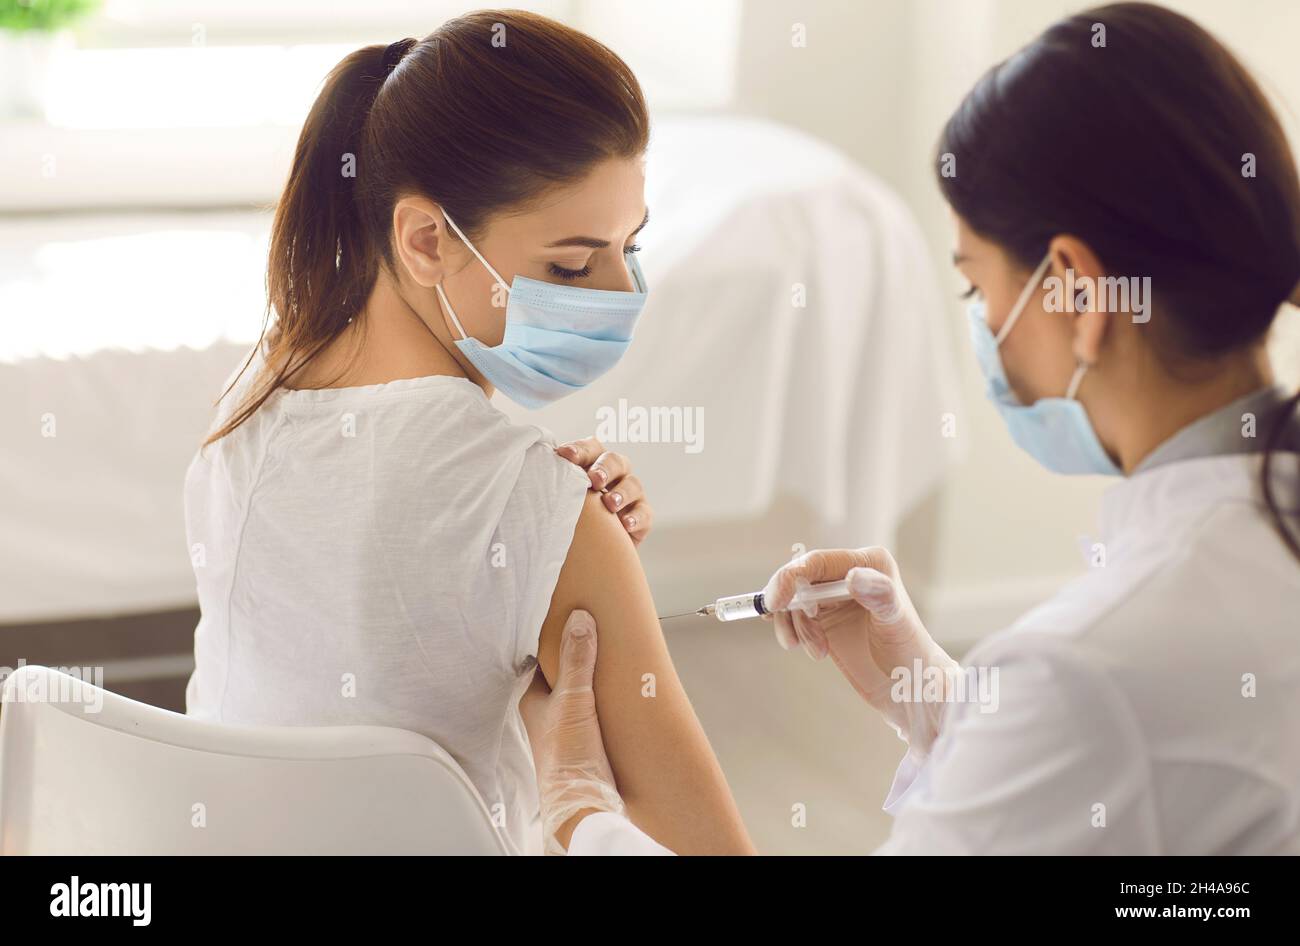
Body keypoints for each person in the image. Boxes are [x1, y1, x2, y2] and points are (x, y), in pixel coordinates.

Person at [524, 2, 1300, 855]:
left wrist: (578, 811)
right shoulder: (1199, 593)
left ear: (1077, 293)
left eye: (977, 287)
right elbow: (1146, 768)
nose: (978, 321)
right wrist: (933, 691)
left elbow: (1107, 724)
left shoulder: (1094, 670)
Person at [184, 10, 752, 856]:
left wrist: (546, 545)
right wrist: (561, 531)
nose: (618, 292)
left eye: (630, 247)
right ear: (426, 239)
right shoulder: (531, 500)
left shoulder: (247, 403)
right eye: (570, 264)